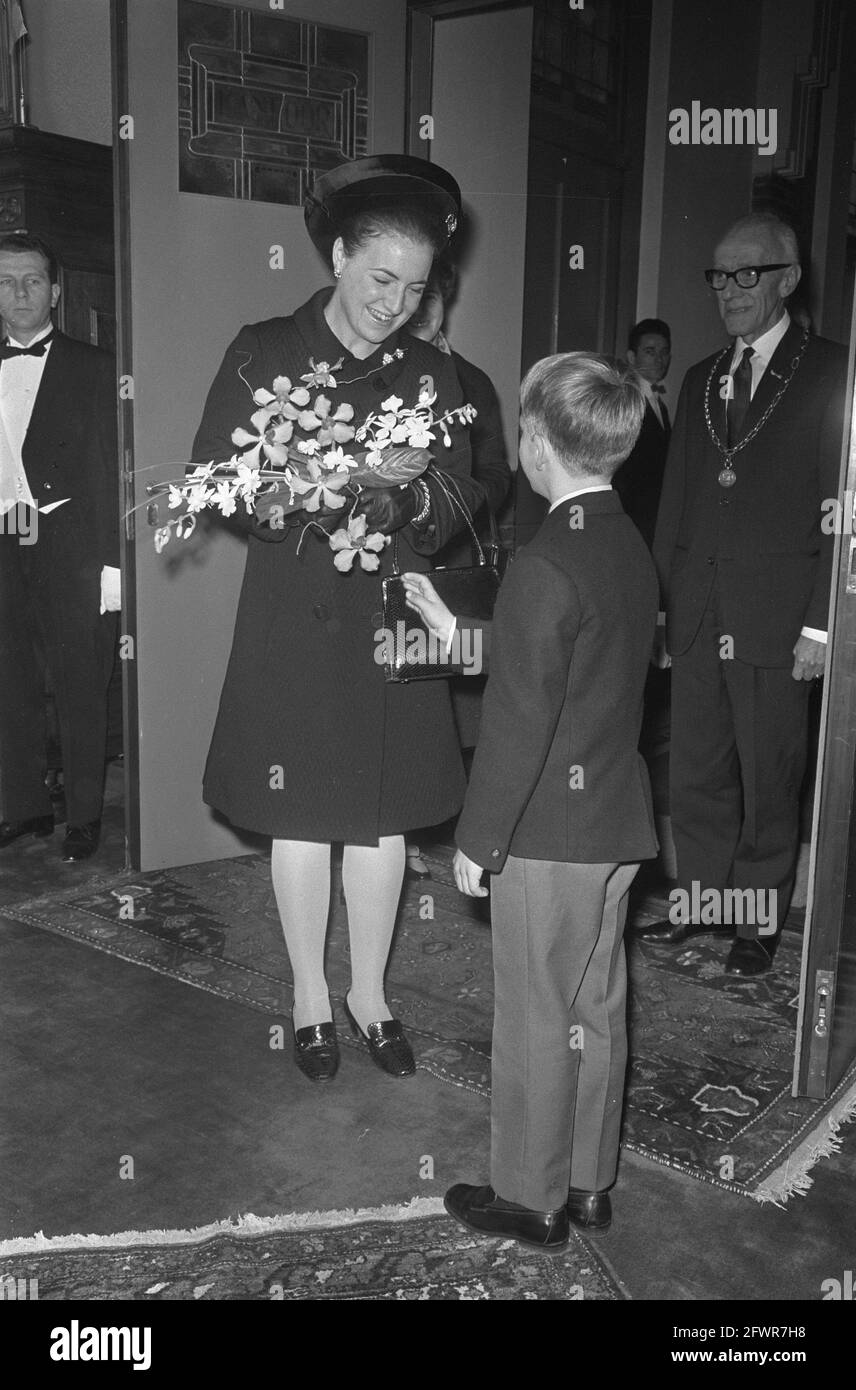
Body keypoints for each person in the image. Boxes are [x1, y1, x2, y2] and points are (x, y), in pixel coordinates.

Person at [191, 155, 484, 1084]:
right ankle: (309, 997)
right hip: (294, 615)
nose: (395, 303)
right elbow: (215, 482)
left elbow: (471, 494)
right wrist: (312, 484)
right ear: (336, 255)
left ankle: (371, 994)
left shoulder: (434, 370)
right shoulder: (263, 349)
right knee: (303, 817)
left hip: (390, 610)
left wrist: (405, 505)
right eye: (378, 279)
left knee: (383, 815)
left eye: (416, 286)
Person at [406, 352, 658, 1250]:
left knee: (533, 1015)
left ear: (537, 443)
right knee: (596, 1006)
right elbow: (569, 667)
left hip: (545, 832)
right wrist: (467, 633)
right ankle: (589, 1183)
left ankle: (527, 1196)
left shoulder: (546, 559)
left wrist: (481, 838)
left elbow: (521, 716)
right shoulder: (624, 542)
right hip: (615, 819)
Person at [637, 213, 847, 975]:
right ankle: (700, 904)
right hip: (698, 611)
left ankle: (754, 926)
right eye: (719, 276)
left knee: (768, 778)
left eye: (746, 274)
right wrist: (662, 607)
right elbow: (675, 507)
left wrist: (822, 626)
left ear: (788, 278)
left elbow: (844, 513)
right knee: (697, 771)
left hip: (778, 618)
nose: (728, 290)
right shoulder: (699, 378)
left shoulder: (831, 373)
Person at [0, 232, 120, 862]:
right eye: (5, 281)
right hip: (2, 546)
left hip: (72, 546)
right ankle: (22, 807)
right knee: (8, 677)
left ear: (54, 290)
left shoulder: (99, 367)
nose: (19, 292)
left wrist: (112, 569)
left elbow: (110, 472)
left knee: (81, 681)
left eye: (31, 280)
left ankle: (82, 816)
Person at [612, 317, 671, 550]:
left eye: (664, 352)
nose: (659, 359)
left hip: (653, 515)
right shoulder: (626, 400)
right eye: (650, 351)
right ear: (631, 358)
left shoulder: (660, 405)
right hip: (633, 515)